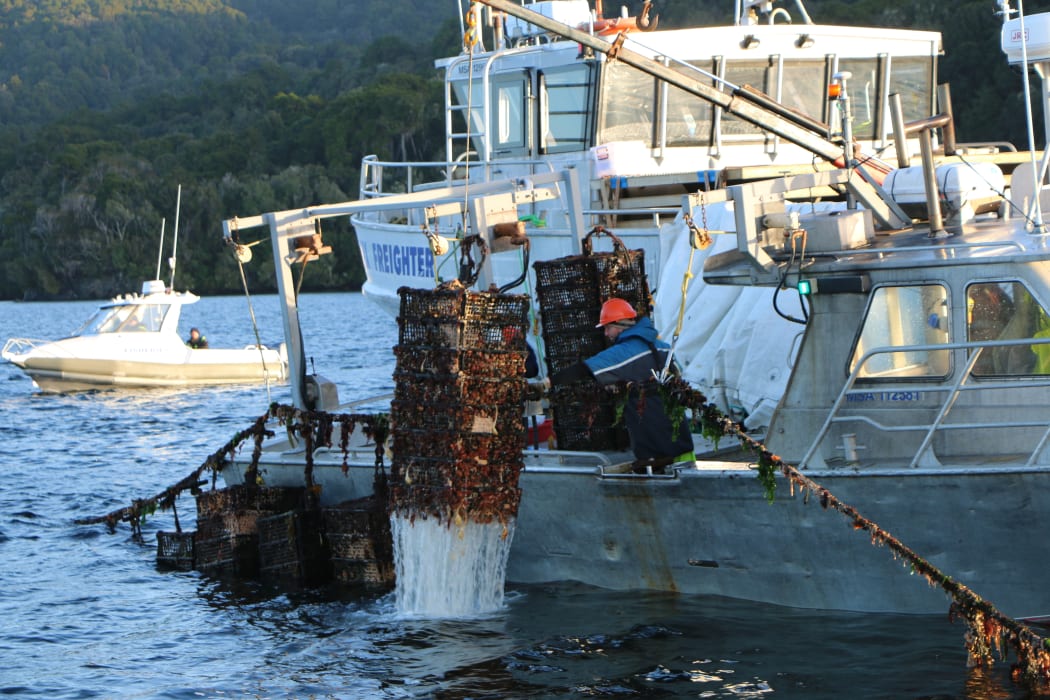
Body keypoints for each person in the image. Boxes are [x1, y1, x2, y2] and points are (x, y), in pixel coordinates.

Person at [548, 298, 695, 468]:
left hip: (656, 452)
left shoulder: (624, 352)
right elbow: (677, 376)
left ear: (619, 325)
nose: (606, 334)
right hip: (682, 444)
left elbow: (585, 369)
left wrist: (548, 383)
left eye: (607, 328)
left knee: (660, 481)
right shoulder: (663, 347)